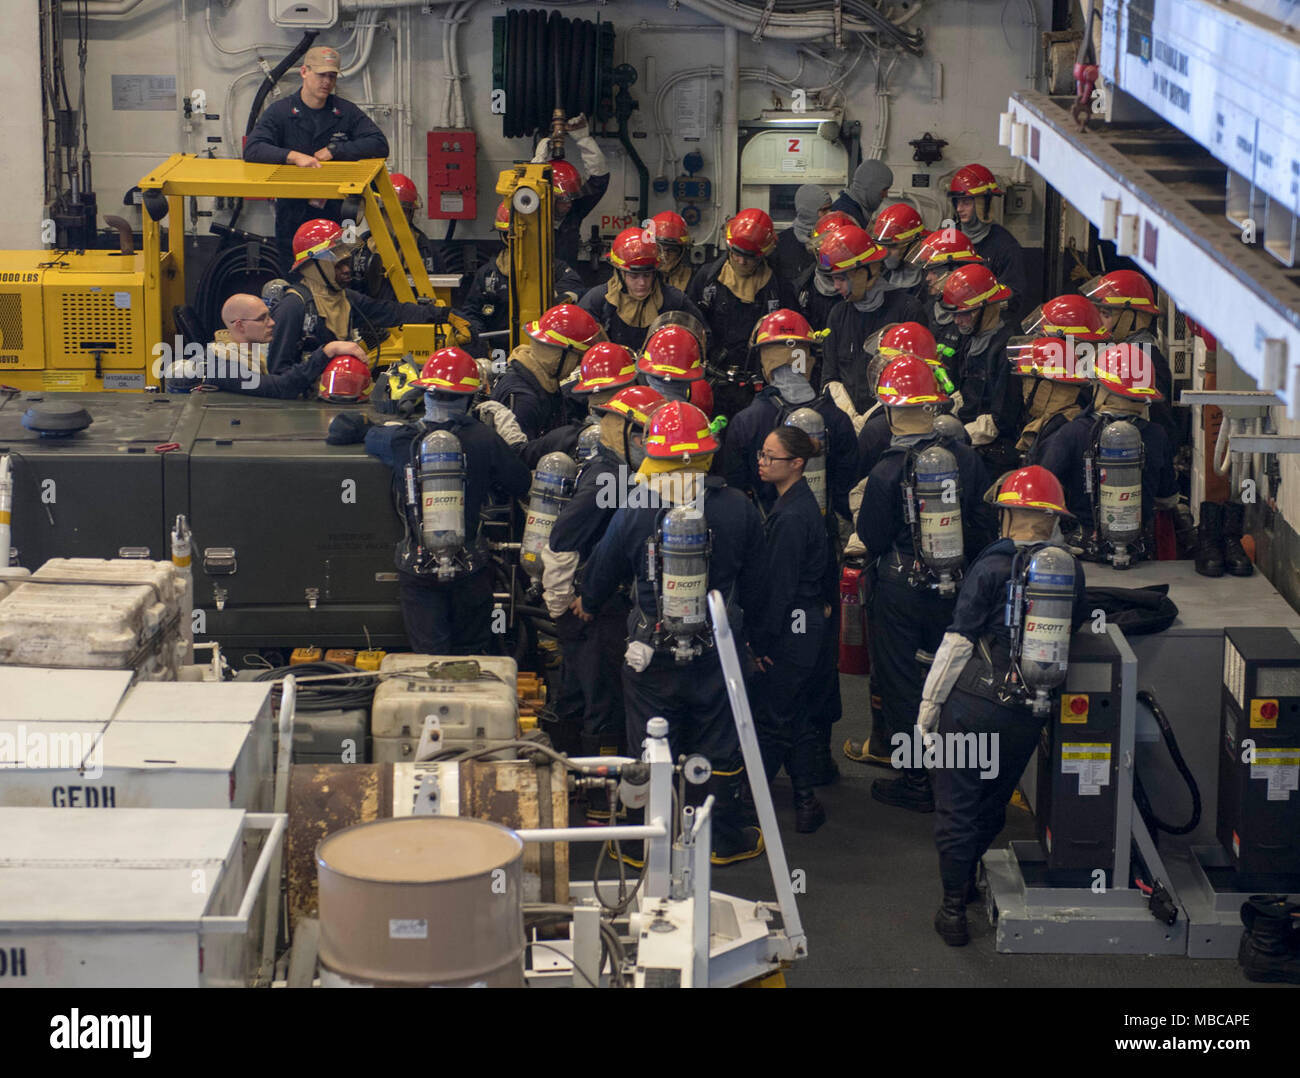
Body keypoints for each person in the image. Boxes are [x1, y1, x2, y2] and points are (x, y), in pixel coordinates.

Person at [580, 401, 767, 866]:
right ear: (707, 454)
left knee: (648, 744)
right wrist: (755, 644)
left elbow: (600, 574)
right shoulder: (739, 508)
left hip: (650, 654)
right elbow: (762, 585)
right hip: (715, 652)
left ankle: (639, 845)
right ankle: (721, 840)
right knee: (718, 745)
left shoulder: (636, 507)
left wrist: (586, 601)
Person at [921, 465, 1087, 945]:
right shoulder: (1069, 570)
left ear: (1011, 513)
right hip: (1026, 711)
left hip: (974, 704)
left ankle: (953, 909)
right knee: (993, 800)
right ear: (1053, 517)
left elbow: (957, 643)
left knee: (956, 804)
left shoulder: (991, 566)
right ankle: (970, 876)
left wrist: (928, 712)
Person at [854, 357, 994, 812]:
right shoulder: (965, 458)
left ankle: (915, 778)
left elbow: (872, 537)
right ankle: (952, 773)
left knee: (901, 682)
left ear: (892, 411)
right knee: (949, 678)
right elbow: (982, 521)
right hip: (955, 583)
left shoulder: (886, 470)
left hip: (899, 587)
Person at [722, 308, 852, 787]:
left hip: (776, 555)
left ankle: (763, 781)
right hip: (821, 561)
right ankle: (817, 763)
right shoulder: (833, 419)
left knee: (780, 676)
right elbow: (847, 484)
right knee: (819, 667)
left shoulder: (747, 421)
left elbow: (735, 491)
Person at [336, 347, 531, 653]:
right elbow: (521, 481)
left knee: (430, 657)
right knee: (472, 653)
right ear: (469, 398)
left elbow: (342, 432)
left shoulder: (401, 440)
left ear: (425, 394)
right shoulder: (485, 439)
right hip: (471, 568)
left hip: (419, 569)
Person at [544, 385, 666, 771]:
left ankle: (572, 774)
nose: (648, 444)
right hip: (593, 613)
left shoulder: (618, 471)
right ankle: (599, 795)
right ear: (623, 433)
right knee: (602, 701)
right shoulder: (606, 478)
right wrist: (562, 608)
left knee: (579, 693)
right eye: (642, 436)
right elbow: (563, 539)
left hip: (595, 607)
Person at [243, 46, 390, 274]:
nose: (327, 81)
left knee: (340, 275)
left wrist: (335, 150)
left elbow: (379, 144)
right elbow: (253, 149)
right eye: (321, 75)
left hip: (338, 212)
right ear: (304, 72)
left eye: (332, 76)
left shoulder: (345, 112)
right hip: (293, 214)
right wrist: (292, 157)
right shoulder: (281, 113)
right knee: (294, 277)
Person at [751, 425, 832, 832]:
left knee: (772, 719)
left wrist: (762, 643)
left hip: (792, 630)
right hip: (807, 626)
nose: (762, 463)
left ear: (796, 464)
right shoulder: (801, 505)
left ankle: (751, 807)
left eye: (771, 457)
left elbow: (779, 590)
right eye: (762, 455)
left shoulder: (790, 518)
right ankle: (805, 803)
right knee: (794, 717)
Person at [264, 219, 462, 374]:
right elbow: (279, 373)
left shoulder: (346, 299)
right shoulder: (293, 308)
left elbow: (392, 312)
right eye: (338, 264)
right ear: (314, 266)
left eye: (347, 263)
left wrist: (444, 314)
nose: (347, 270)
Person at [1037, 342, 1178, 557]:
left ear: (1101, 389)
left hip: (1084, 550)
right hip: (1140, 553)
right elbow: (1167, 498)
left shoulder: (1071, 433)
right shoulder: (1156, 435)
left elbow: (1044, 491)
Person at [687, 209, 799, 419]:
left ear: (763, 254)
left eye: (748, 257)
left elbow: (793, 341)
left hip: (759, 388)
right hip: (713, 383)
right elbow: (690, 325)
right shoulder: (708, 280)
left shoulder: (778, 289)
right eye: (736, 253)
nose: (740, 261)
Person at [819, 225, 927, 430]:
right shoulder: (838, 315)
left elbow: (914, 379)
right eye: (833, 279)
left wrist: (870, 421)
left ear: (865, 273)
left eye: (841, 279)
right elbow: (830, 376)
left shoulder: (908, 311)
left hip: (893, 423)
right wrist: (848, 417)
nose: (835, 287)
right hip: (846, 423)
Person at [177, 292, 365, 398]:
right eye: (262, 319)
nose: (272, 322)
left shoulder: (255, 351)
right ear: (240, 325)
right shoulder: (222, 366)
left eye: (269, 315)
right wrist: (327, 351)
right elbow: (279, 388)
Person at [461, 201, 585, 349]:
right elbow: (471, 312)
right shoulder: (488, 274)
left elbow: (575, 286)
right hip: (499, 350)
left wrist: (556, 298)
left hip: (544, 348)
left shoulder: (552, 267)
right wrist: (481, 343)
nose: (517, 239)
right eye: (510, 235)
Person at [939, 264, 1022, 473]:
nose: (957, 321)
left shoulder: (1007, 350)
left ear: (987, 308)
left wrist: (959, 435)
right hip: (968, 436)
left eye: (965, 314)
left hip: (993, 452)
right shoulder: (969, 340)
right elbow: (964, 391)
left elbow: (1001, 421)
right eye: (955, 314)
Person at [1080, 269, 1179, 445]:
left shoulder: (1144, 361)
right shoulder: (1125, 354)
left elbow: (1159, 426)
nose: (1100, 322)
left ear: (1129, 318)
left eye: (1106, 314)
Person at [578, 228, 704, 352]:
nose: (642, 283)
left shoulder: (675, 300)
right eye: (634, 276)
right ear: (620, 273)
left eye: (647, 275)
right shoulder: (598, 299)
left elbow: (702, 336)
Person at [491, 302, 602, 442]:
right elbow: (520, 457)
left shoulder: (538, 378)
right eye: (577, 358)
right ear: (559, 355)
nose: (576, 365)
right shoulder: (523, 400)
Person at [947, 164, 1028, 320]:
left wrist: (983, 306)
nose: (959, 208)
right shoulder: (950, 238)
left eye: (966, 202)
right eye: (957, 202)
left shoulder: (1005, 245)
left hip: (987, 323)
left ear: (982, 205)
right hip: (950, 318)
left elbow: (1014, 297)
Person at [352, 172, 444, 303]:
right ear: (380, 211)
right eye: (390, 211)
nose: (396, 218)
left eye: (403, 211)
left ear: (411, 213)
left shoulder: (425, 249)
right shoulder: (361, 248)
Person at [532, 115, 611, 266]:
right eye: (563, 200)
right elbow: (527, 193)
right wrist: (537, 166)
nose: (569, 204)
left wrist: (584, 140)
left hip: (565, 282)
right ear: (549, 197)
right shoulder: (531, 215)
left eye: (571, 198)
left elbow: (599, 181)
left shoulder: (574, 213)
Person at [1007, 336, 1091, 464]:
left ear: (1044, 390)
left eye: (1027, 382)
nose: (1024, 390)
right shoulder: (1061, 420)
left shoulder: (1057, 436)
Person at [795, 211, 858, 338]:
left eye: (839, 253)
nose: (831, 260)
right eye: (825, 251)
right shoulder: (802, 288)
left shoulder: (863, 293)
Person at [773, 185, 831, 296]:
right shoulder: (782, 244)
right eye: (824, 210)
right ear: (808, 211)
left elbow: (828, 273)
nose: (829, 214)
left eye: (830, 208)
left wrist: (823, 251)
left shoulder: (830, 241)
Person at [870, 203, 928, 298]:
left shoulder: (930, 280)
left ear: (915, 244)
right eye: (883, 246)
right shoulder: (879, 277)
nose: (885, 253)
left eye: (892, 246)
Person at [832, 159, 894, 229]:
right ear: (871, 187)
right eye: (884, 189)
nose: (886, 195)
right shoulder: (845, 215)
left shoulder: (858, 210)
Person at [650, 211, 695, 292]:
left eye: (671, 250)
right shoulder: (638, 278)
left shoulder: (693, 280)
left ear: (681, 253)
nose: (664, 255)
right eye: (658, 249)